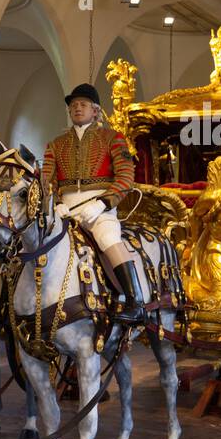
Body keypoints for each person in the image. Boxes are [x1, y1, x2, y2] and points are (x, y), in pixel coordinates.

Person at [42, 83, 146, 324]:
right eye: (73, 105)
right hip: (64, 211)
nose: (77, 108)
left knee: (109, 239)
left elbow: (125, 177)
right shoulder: (55, 145)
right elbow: (46, 180)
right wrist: (56, 202)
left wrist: (102, 203)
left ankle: (135, 300)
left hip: (100, 209)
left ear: (96, 111)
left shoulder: (113, 138)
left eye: (83, 105)